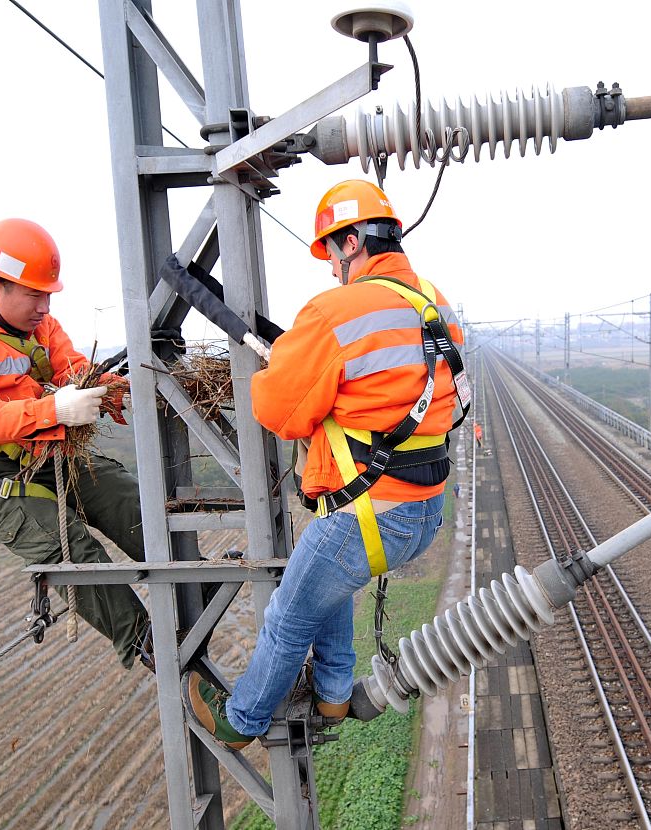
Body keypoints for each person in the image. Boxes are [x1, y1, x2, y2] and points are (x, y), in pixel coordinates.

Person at [184, 180, 467, 748]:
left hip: (371, 512)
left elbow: (278, 412)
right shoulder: (434, 300)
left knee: (289, 617)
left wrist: (276, 370)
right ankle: (334, 695)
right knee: (327, 588)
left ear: (353, 241)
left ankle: (240, 721)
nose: (333, 267)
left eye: (334, 252)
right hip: (424, 507)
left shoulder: (336, 310)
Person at [0, 218, 153, 671]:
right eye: (34, 294)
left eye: (48, 295)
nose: (44, 307)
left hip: (47, 454)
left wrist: (120, 390)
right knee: (73, 551)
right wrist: (54, 412)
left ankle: (196, 584)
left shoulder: (41, 327)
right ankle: (150, 645)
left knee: (124, 496)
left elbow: (74, 372)